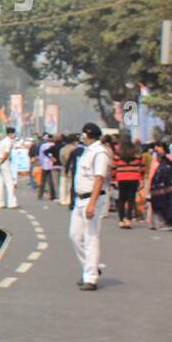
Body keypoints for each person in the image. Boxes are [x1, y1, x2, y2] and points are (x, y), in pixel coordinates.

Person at [69, 122, 111, 291]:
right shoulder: (87, 151)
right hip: (80, 199)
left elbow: (99, 179)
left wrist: (92, 204)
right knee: (74, 236)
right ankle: (94, 266)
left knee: (91, 238)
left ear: (88, 135)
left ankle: (91, 277)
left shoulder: (100, 153)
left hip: (91, 199)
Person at [111, 139, 145, 228]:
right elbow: (142, 168)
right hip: (134, 178)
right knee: (131, 199)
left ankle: (121, 220)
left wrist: (114, 178)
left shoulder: (118, 154)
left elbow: (113, 167)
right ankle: (128, 219)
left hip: (121, 178)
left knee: (121, 199)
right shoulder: (137, 154)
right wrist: (141, 179)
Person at [147, 141, 172, 230]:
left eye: (158, 146)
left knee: (159, 203)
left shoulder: (166, 159)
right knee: (166, 203)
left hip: (163, 185)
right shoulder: (161, 158)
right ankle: (161, 222)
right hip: (166, 186)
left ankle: (156, 223)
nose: (156, 148)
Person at [0, 126, 19, 208]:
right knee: (9, 183)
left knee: (1, 183)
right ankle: (12, 202)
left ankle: (0, 203)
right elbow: (6, 154)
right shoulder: (9, 141)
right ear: (11, 133)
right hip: (4, 162)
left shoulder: (2, 141)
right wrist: (0, 163)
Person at [58, 134, 78, 204]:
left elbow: (61, 160)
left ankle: (62, 199)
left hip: (64, 168)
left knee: (62, 185)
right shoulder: (75, 149)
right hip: (72, 169)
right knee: (70, 185)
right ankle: (68, 200)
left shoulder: (63, 149)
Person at [37, 134, 58, 201]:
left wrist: (40, 163)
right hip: (52, 165)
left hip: (44, 165)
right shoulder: (54, 145)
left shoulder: (43, 145)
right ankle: (52, 195)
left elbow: (40, 155)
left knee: (42, 181)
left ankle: (40, 195)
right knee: (51, 181)